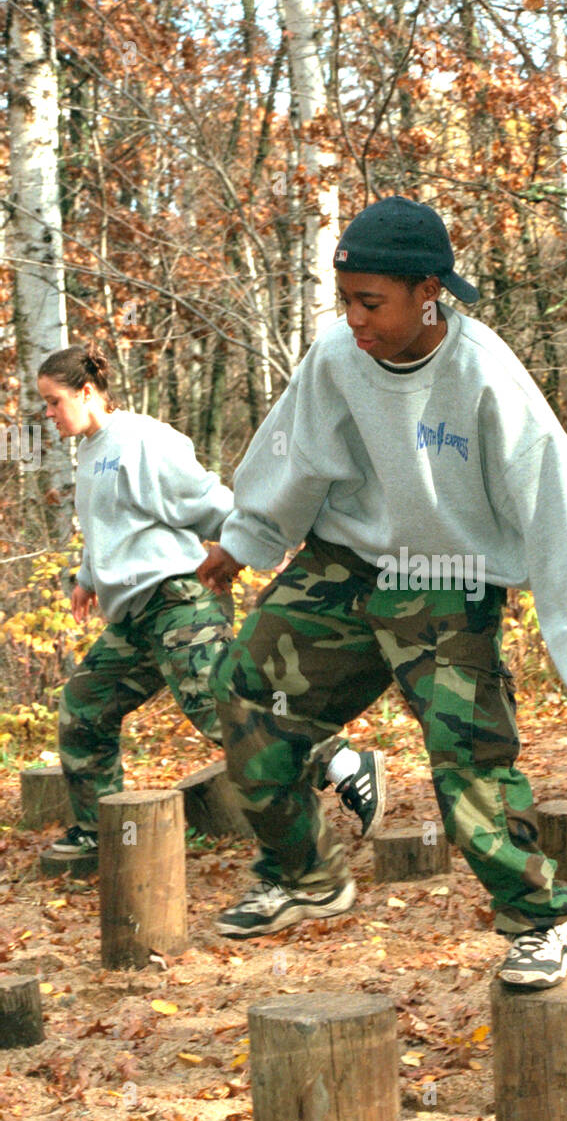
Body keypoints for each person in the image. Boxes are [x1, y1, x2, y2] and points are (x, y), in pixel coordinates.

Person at [200, 195, 567, 988]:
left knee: (466, 758)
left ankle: (543, 923)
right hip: (346, 565)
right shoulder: (338, 359)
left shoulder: (486, 376)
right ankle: (306, 876)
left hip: (449, 583)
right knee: (245, 690)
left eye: (372, 302)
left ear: (428, 291)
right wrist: (244, 542)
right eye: (347, 301)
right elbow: (292, 457)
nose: (356, 319)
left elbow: (558, 513)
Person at [37, 346, 383, 867]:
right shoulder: (90, 450)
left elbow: (209, 502)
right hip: (135, 617)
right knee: (85, 707)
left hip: (181, 604)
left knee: (226, 714)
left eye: (53, 402)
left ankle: (340, 760)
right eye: (43, 406)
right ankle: (96, 832)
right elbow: (109, 530)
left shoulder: (143, 441)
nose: (47, 416)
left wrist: (247, 544)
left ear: (87, 393)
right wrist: (87, 578)